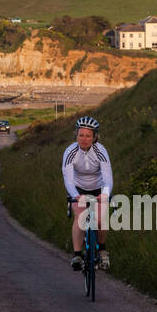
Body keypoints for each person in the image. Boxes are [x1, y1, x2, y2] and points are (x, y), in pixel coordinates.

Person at [63, 115, 113, 271]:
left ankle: (102, 249)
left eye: (88, 136)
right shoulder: (70, 152)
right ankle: (77, 255)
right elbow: (68, 179)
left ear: (94, 137)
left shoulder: (100, 151)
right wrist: (76, 196)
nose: (84, 139)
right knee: (80, 217)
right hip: (78, 189)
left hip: (98, 187)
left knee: (100, 218)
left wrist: (104, 194)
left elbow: (108, 177)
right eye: (81, 135)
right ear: (76, 135)